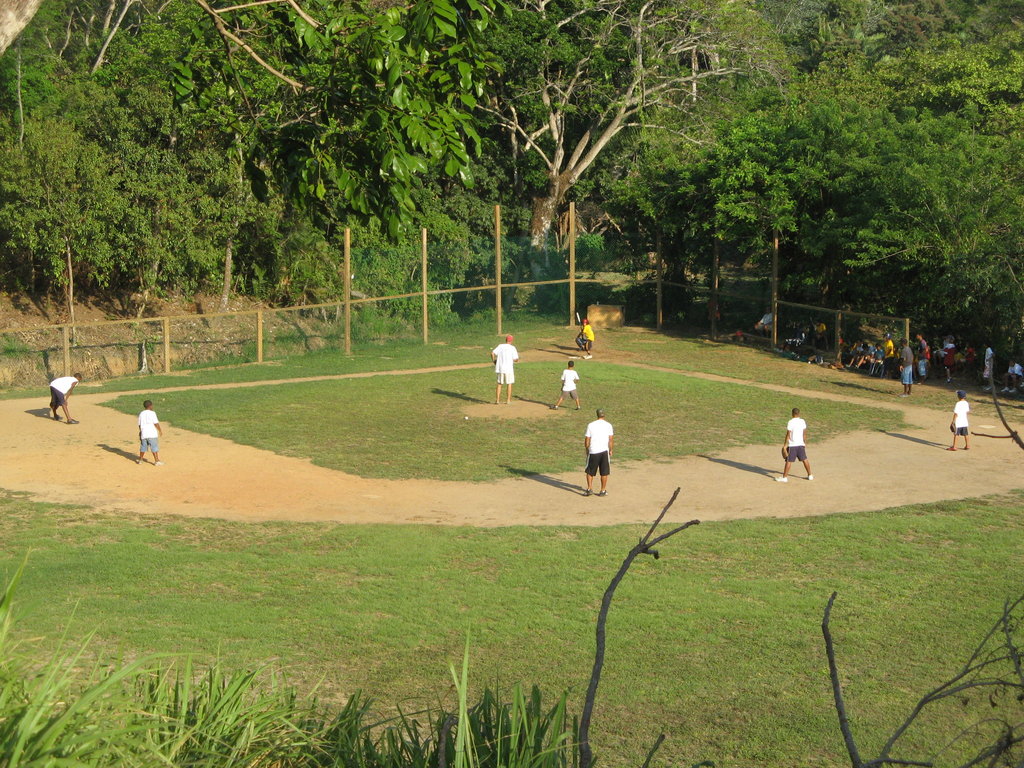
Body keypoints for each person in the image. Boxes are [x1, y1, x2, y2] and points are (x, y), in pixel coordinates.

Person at [583, 408, 614, 496]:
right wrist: (611, 450)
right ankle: (603, 490)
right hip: (604, 451)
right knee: (604, 472)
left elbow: (587, 439)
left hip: (593, 451)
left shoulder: (591, 425)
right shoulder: (608, 425)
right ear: (604, 415)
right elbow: (611, 439)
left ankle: (589, 489)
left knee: (590, 471)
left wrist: (587, 449)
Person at [777, 407, 812, 482]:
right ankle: (810, 475)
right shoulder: (802, 421)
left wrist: (785, 445)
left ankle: (784, 478)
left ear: (792, 414)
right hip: (800, 444)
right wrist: (804, 443)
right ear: (799, 414)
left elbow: (788, 434)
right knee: (804, 459)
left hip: (793, 445)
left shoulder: (791, 422)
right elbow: (804, 433)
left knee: (788, 461)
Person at [491, 334, 519, 404]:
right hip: (509, 368)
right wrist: (515, 360)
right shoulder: (512, 348)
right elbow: (516, 359)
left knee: (499, 383)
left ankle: (497, 400)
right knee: (509, 384)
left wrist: (494, 361)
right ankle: (508, 400)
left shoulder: (500, 346)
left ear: (506, 340)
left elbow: (492, 353)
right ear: (511, 341)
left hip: (500, 368)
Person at [137, 399, 164, 465]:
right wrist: (160, 430)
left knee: (143, 447)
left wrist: (140, 432)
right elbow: (156, 423)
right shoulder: (152, 413)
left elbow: (139, 424)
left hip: (144, 433)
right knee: (154, 447)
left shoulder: (141, 413)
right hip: (152, 433)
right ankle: (157, 461)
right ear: (150, 406)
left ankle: (140, 460)